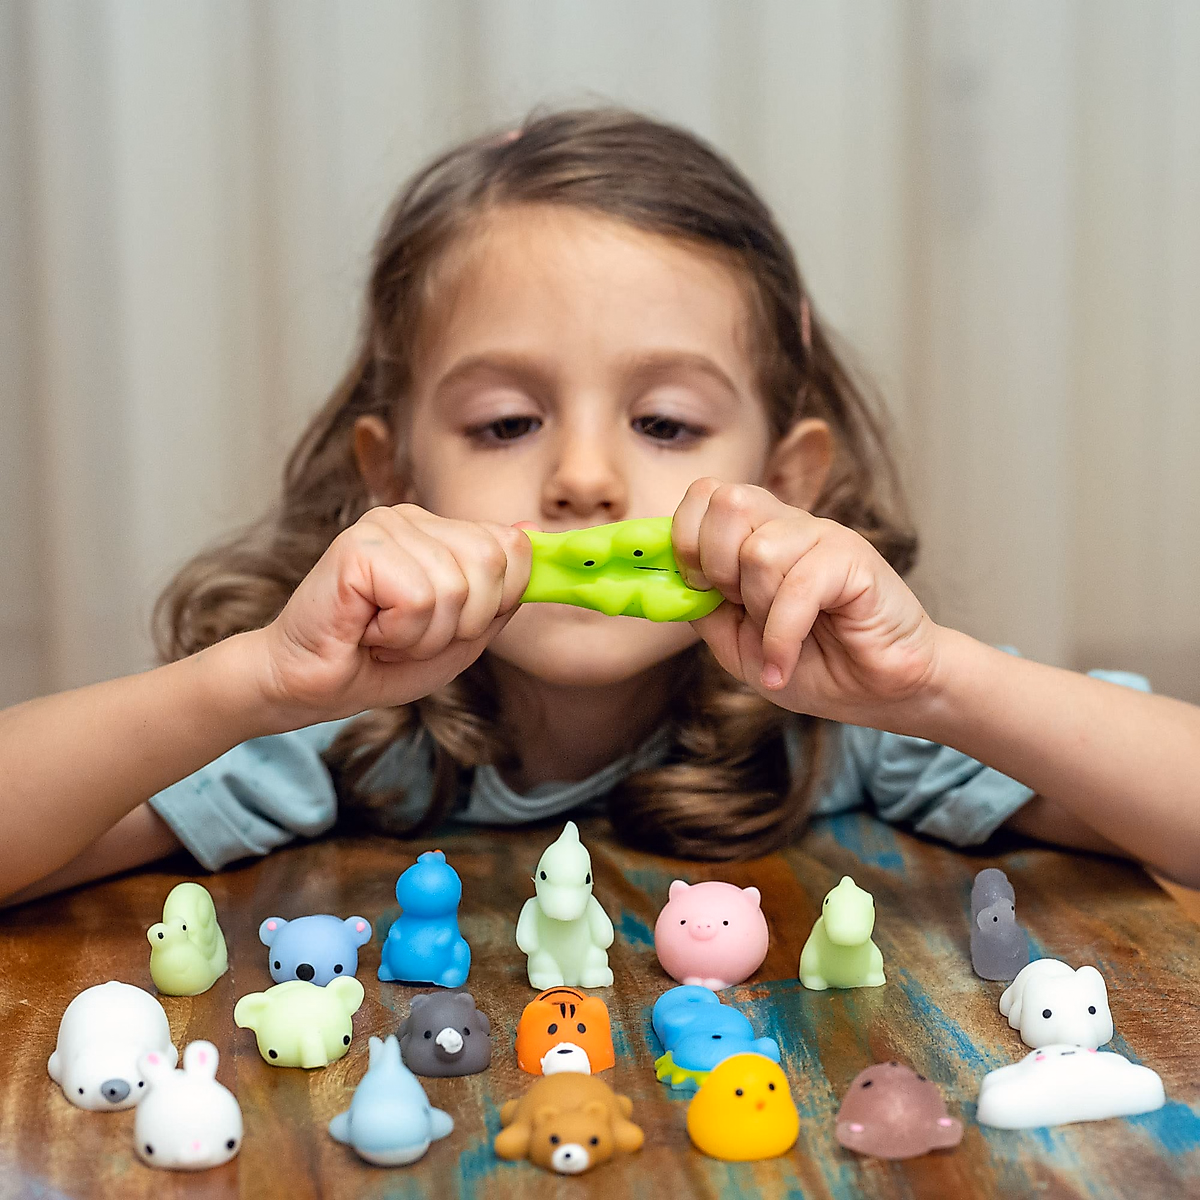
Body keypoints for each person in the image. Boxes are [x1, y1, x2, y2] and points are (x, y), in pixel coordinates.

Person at [3, 107, 1198, 908]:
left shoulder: (844, 717)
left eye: (665, 423)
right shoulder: (340, 728)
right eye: (505, 424)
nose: (584, 479)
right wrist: (255, 682)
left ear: (787, 483)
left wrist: (936, 683)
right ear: (394, 478)